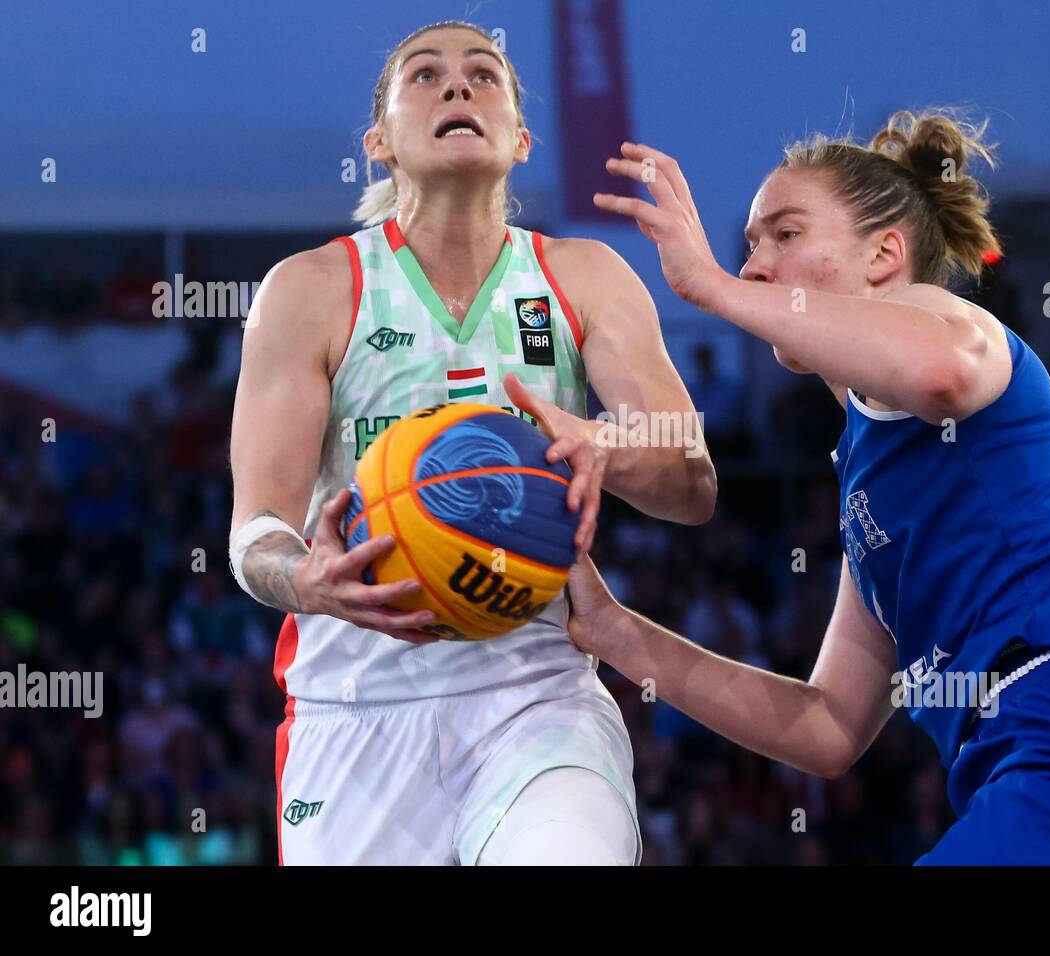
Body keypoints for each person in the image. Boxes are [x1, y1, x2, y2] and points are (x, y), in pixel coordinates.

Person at [568, 110, 1050, 863]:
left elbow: (942, 371)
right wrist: (616, 632)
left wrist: (705, 286)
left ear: (885, 254)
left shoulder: (941, 321)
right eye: (749, 246)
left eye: (786, 234)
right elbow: (826, 726)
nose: (755, 266)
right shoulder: (867, 469)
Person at [227, 20, 715, 865]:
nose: (458, 87)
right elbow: (254, 532)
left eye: (484, 74)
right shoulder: (307, 290)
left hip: (534, 695)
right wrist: (302, 577)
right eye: (425, 75)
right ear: (378, 143)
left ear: (522, 140)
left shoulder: (584, 275)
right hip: (357, 705)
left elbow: (692, 481)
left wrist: (604, 445)